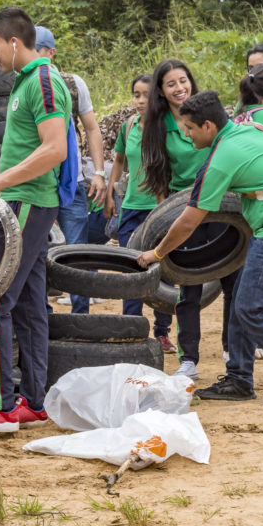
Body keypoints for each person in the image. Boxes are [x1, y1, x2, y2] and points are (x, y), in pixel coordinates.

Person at [136, 90, 263, 404]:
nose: (186, 134)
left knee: (254, 308)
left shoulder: (222, 158)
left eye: (190, 128)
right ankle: (239, 378)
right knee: (242, 300)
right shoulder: (245, 130)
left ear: (209, 126)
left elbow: (188, 221)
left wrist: (156, 253)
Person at [0, 7, 71, 432]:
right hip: (21, 201)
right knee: (29, 305)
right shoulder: (26, 82)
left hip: (26, 204)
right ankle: (34, 402)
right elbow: (25, 149)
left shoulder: (45, 80)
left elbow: (55, 149)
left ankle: (0, 406)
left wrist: (0, 185)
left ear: (13, 42)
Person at [140, 59, 239, 380]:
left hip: (225, 211)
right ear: (161, 91)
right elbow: (159, 176)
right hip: (185, 211)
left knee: (233, 282)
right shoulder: (155, 126)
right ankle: (189, 360)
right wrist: (163, 221)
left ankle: (233, 350)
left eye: (183, 81)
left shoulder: (209, 115)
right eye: (171, 84)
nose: (180, 88)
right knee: (189, 287)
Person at [34, 25, 106, 314]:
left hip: (71, 180)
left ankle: (81, 319)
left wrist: (99, 173)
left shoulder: (73, 83)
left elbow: (91, 128)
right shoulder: (21, 83)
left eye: (38, 51)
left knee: (77, 253)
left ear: (51, 52)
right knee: (35, 251)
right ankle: (42, 316)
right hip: (35, 183)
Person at [104, 74, 175, 352]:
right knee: (130, 269)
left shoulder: (167, 127)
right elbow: (119, 160)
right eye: (136, 94)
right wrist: (111, 193)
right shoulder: (129, 125)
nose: (140, 100)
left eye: (146, 95)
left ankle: (162, 331)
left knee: (162, 269)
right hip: (132, 207)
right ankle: (131, 328)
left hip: (160, 209)